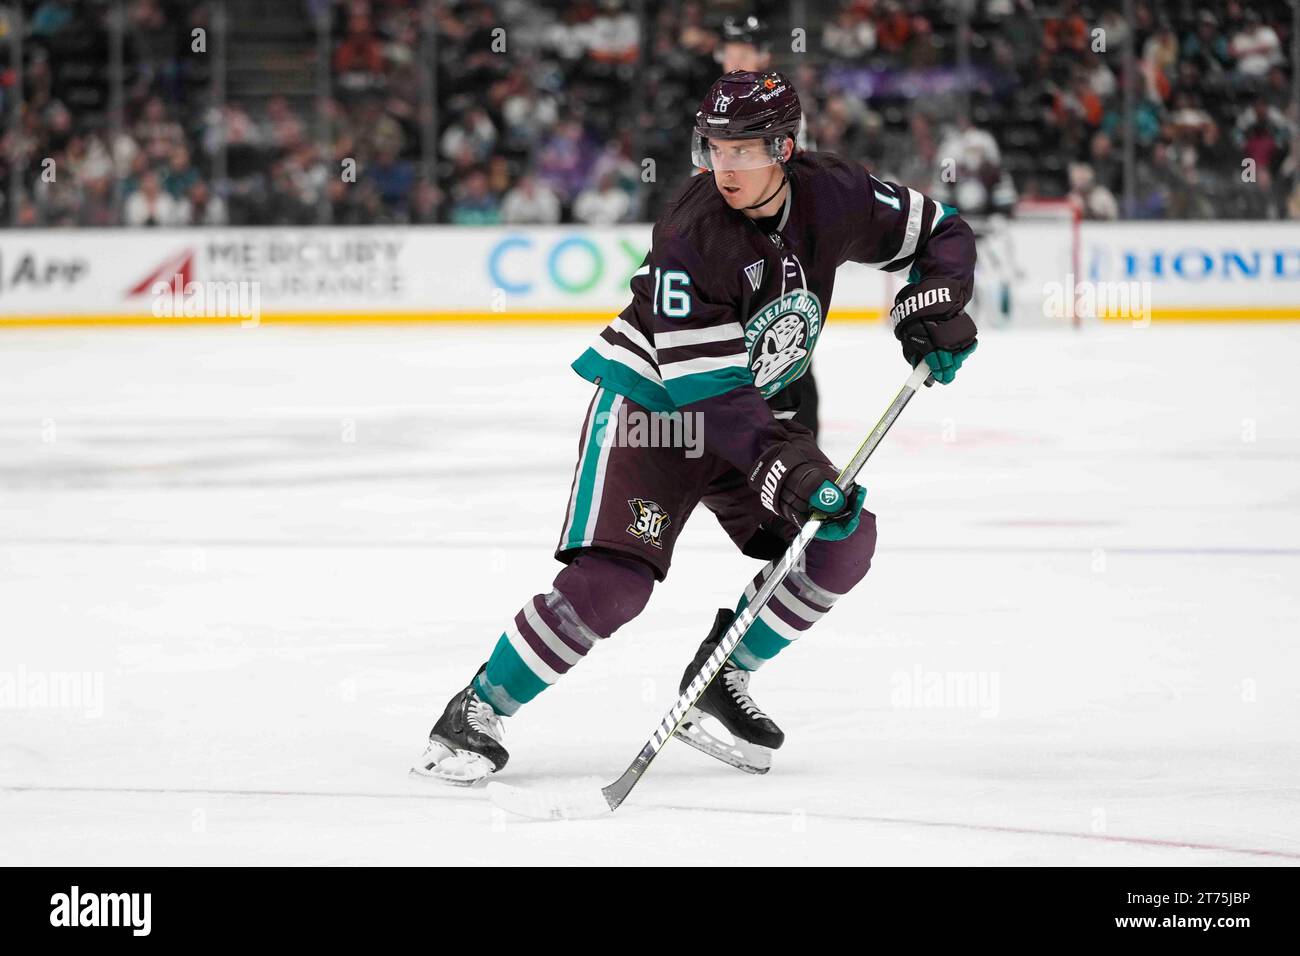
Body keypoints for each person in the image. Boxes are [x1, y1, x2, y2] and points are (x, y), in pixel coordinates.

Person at [412, 71, 978, 783]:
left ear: (785, 147)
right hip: (656, 415)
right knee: (616, 584)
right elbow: (709, 395)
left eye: (743, 150)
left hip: (755, 411)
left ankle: (722, 672)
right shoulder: (691, 232)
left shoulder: (835, 193)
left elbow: (943, 231)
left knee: (840, 539)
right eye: (714, 149)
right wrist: (789, 469)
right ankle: (477, 707)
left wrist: (936, 300)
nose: (725, 167)